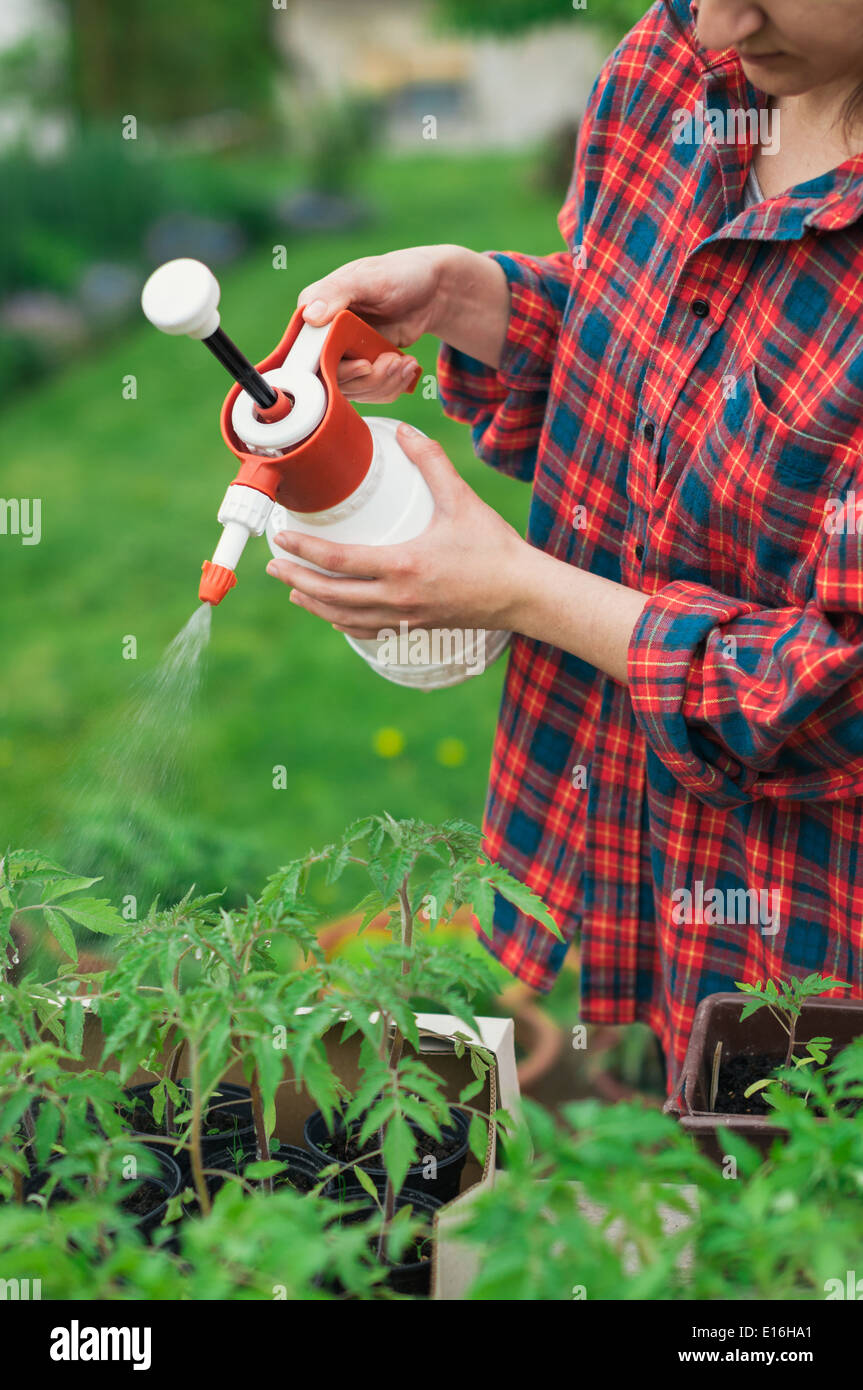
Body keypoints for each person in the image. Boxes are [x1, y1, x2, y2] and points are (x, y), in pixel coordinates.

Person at [265, 0, 863, 1100]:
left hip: (798, 951)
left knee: (777, 1224)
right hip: (603, 844)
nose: (721, 23)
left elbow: (832, 693)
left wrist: (517, 593)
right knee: (620, 1186)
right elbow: (642, 359)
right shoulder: (669, 61)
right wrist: (476, 299)